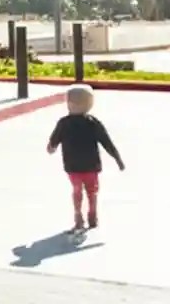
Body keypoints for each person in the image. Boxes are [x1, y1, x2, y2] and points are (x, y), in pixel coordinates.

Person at [47, 84, 124, 232]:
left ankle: (78, 216)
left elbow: (53, 143)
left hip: (72, 166)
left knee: (77, 190)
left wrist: (51, 148)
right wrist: (118, 159)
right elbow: (107, 142)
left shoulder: (63, 123)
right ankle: (92, 215)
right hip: (91, 166)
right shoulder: (93, 123)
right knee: (92, 191)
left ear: (68, 103)